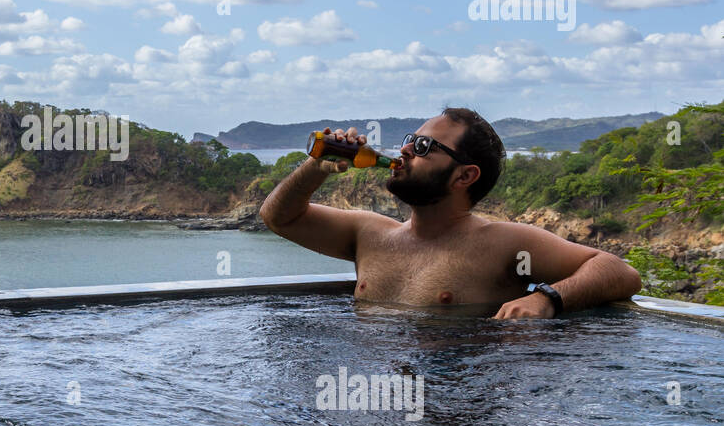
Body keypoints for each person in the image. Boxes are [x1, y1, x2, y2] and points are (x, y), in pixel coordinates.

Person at [258, 107, 643, 318]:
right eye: (410, 140)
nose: (405, 150)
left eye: (424, 146)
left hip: (452, 406)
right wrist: (315, 166)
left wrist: (546, 298)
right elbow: (279, 217)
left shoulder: (504, 243)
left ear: (465, 175)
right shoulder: (369, 233)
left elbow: (618, 271)